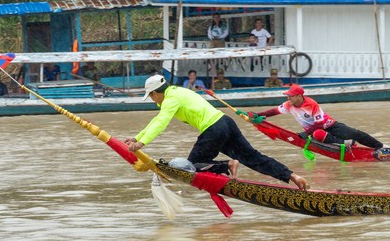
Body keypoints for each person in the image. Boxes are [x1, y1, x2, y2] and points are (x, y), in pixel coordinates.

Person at [124, 74, 307, 190]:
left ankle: (227, 165)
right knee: (253, 157)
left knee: (192, 166)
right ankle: (293, 176)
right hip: (225, 122)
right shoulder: (177, 91)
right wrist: (137, 137)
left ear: (156, 93)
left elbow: (161, 122)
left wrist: (141, 143)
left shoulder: (171, 99)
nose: (153, 100)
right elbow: (157, 120)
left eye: (151, 96)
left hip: (213, 129)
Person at [250, 84, 384, 150]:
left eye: (290, 96)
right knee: (318, 134)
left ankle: (381, 147)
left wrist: (305, 133)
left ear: (299, 96)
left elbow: (319, 123)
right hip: (316, 132)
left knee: (356, 133)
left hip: (331, 125)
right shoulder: (289, 105)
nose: (287, 98)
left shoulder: (311, 104)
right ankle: (346, 143)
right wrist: (259, 115)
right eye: (287, 96)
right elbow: (274, 111)